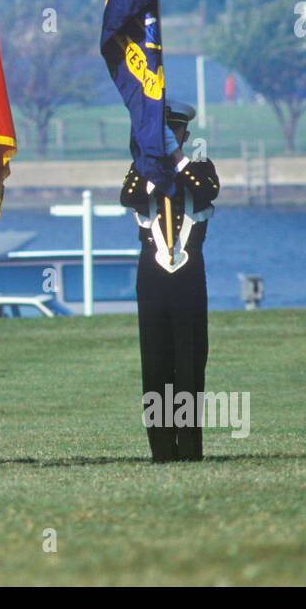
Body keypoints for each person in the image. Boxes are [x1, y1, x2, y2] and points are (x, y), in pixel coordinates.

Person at [119, 99, 219, 463]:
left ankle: (191, 448)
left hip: (190, 275)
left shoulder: (200, 167)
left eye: (174, 129)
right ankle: (161, 449)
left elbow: (207, 191)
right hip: (153, 276)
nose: (167, 135)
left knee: (190, 362)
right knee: (156, 362)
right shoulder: (140, 169)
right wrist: (152, 165)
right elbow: (127, 197)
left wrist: (175, 155)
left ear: (184, 133)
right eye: (162, 129)